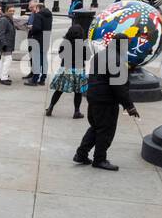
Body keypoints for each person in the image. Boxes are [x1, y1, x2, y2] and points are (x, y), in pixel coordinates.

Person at [74, 34, 138, 171]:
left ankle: (81, 154)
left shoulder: (100, 55)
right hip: (106, 101)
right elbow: (119, 86)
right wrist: (130, 106)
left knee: (96, 127)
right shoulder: (116, 60)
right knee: (106, 130)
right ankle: (99, 159)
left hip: (93, 97)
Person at [47, 19, 88, 118]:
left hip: (65, 68)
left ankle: (50, 107)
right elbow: (86, 57)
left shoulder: (65, 43)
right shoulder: (82, 44)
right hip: (78, 69)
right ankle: (76, 111)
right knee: (78, 92)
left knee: (59, 90)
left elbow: (60, 55)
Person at [24, 0, 53, 86]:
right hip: (46, 39)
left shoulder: (38, 15)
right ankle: (43, 79)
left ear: (38, 8)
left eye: (35, 8)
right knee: (44, 60)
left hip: (38, 40)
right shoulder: (49, 15)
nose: (34, 10)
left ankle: (34, 80)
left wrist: (31, 28)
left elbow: (37, 28)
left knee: (37, 60)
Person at [0, 6, 17, 85]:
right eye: (10, 11)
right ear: (6, 11)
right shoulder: (4, 20)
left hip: (7, 43)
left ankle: (1, 77)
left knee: (3, 60)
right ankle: (4, 78)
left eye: (13, 11)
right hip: (6, 44)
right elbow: (1, 33)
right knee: (8, 60)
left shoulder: (8, 19)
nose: (12, 12)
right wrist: (4, 44)